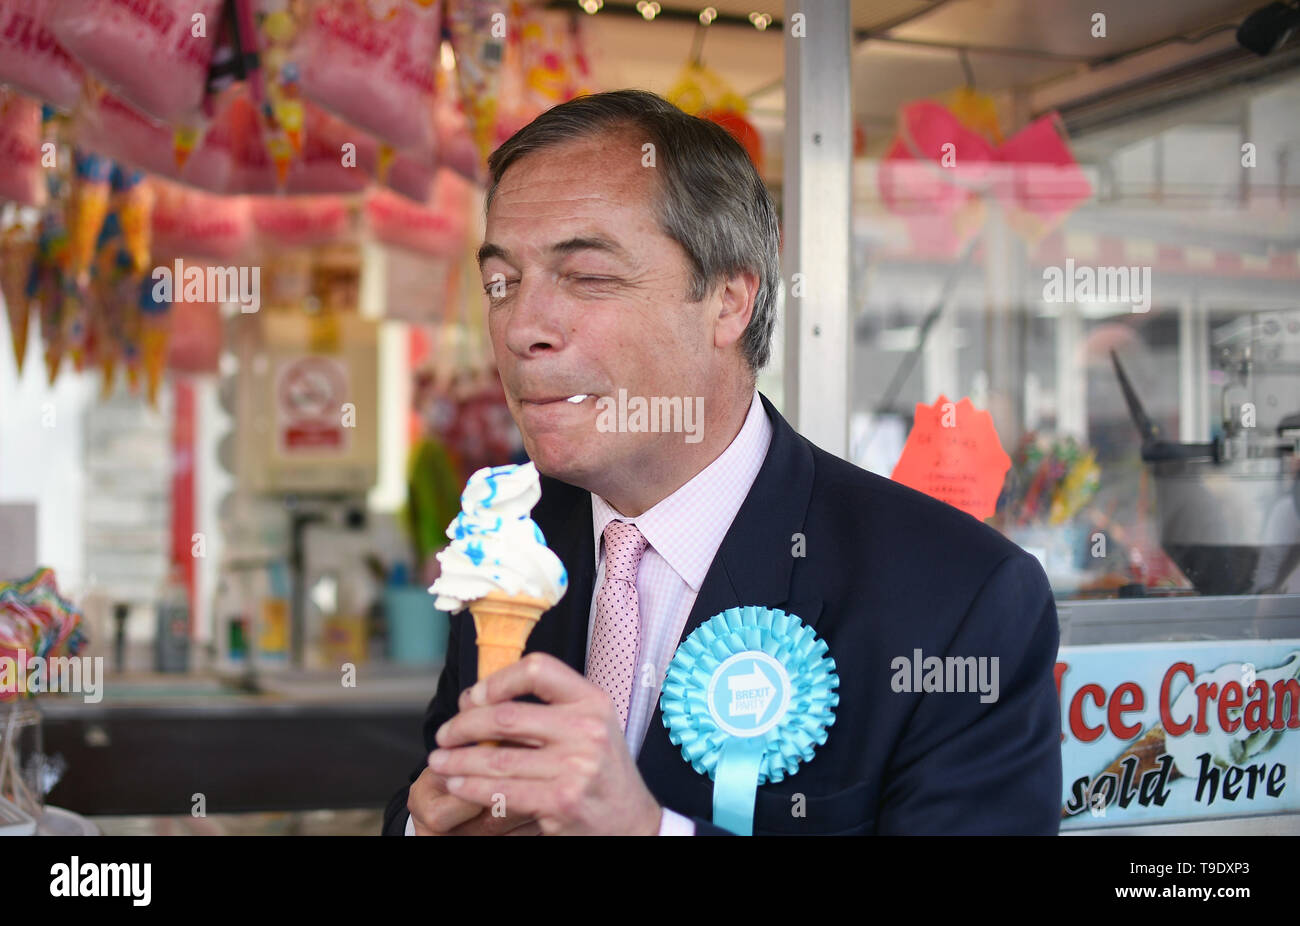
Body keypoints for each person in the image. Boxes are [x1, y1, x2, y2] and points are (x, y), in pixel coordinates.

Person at [382, 90, 1061, 836]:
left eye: (587, 277)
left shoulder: (958, 596)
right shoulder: (511, 543)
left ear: (730, 302)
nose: (521, 328)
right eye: (500, 283)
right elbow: (429, 791)